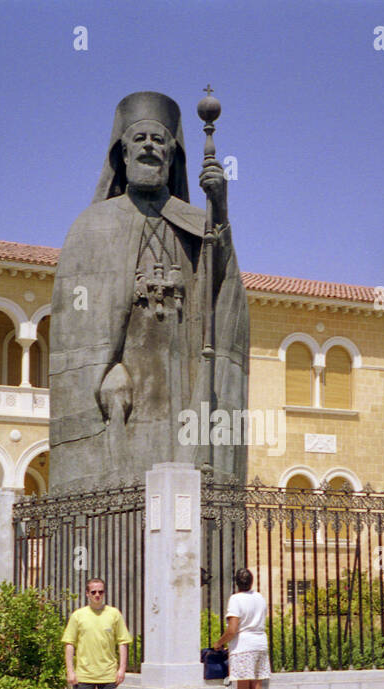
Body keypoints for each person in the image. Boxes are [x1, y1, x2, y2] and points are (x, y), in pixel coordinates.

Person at [48, 90, 250, 495]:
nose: (149, 147)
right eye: (139, 139)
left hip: (183, 379)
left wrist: (221, 210)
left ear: (173, 158)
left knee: (181, 481)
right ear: (122, 155)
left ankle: (190, 558)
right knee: (126, 489)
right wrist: (102, 373)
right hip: (125, 386)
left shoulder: (197, 222)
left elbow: (224, 295)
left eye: (159, 141)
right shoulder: (92, 225)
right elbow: (74, 328)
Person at [211, 568, 270, 689]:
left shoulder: (236, 599)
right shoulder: (259, 598)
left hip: (243, 648)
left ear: (236, 582)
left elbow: (233, 628)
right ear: (251, 582)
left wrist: (219, 643)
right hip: (260, 644)